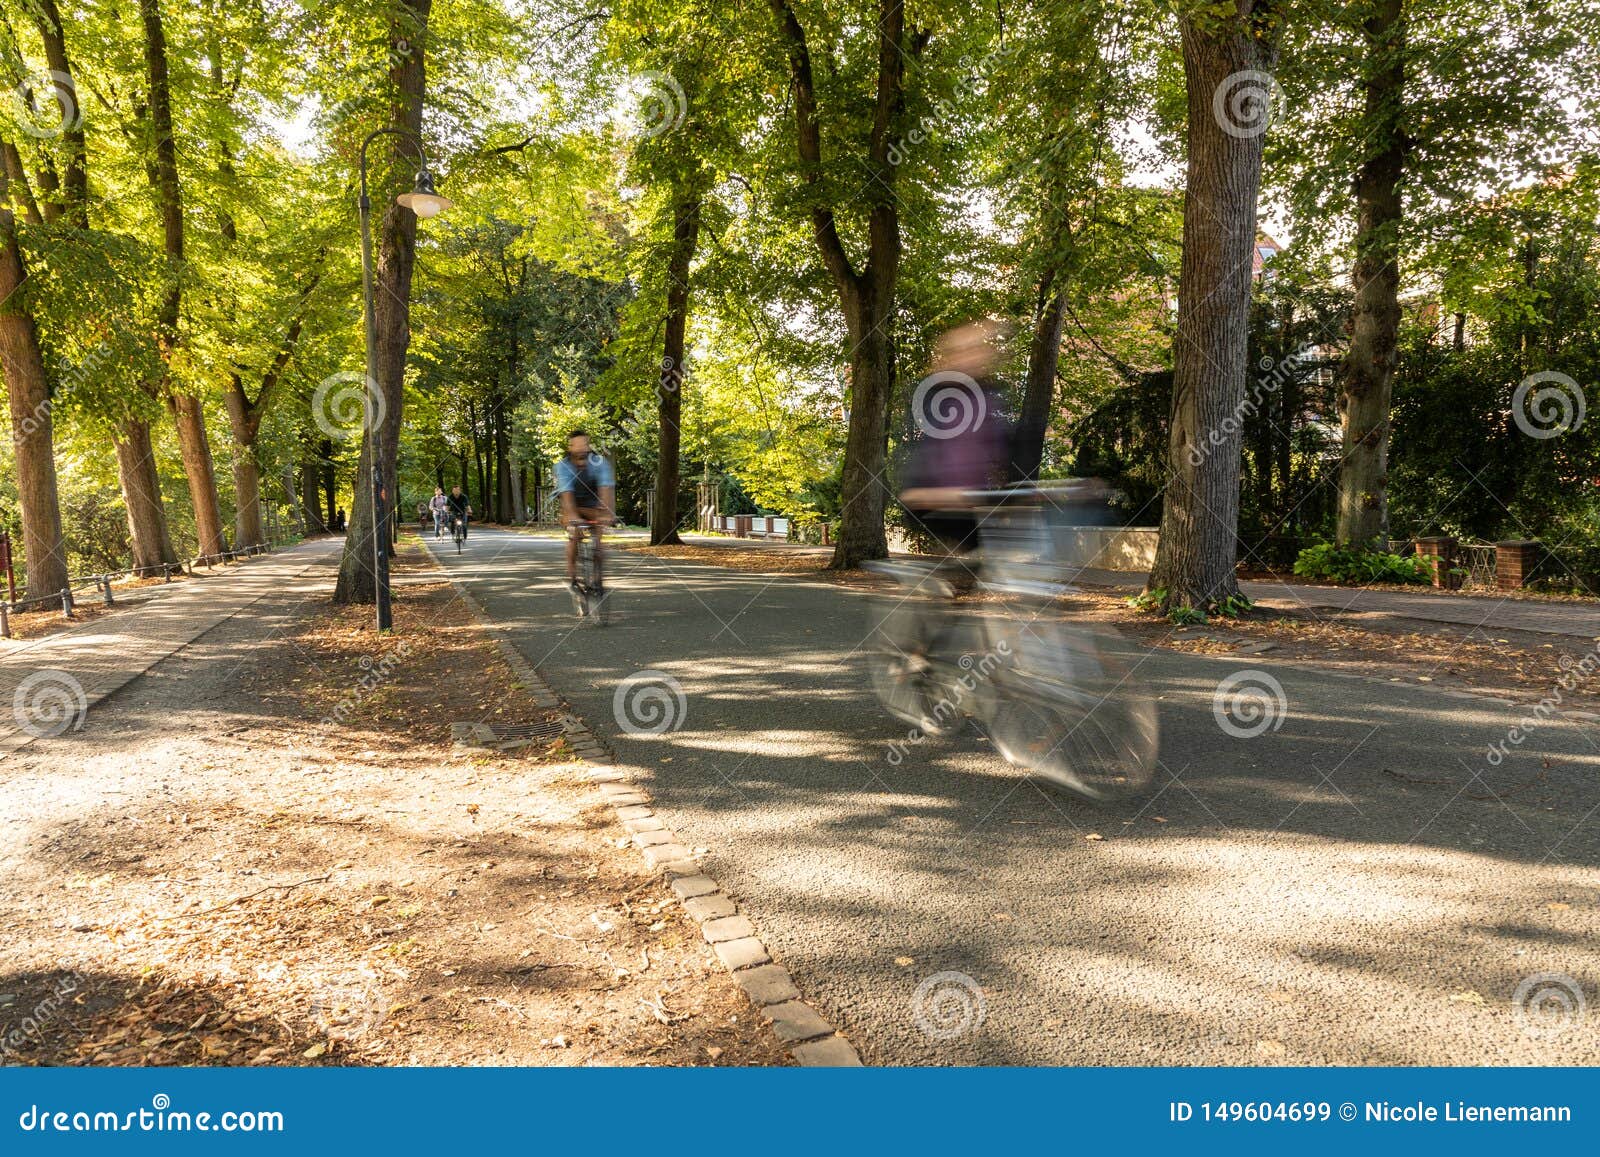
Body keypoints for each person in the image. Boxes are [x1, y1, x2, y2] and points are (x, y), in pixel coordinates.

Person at [898, 319, 1013, 592]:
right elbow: (925, 452)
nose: (972, 356)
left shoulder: (988, 398)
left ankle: (948, 595)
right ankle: (928, 605)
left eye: (977, 349)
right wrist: (926, 491)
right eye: (963, 350)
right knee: (966, 574)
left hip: (973, 503)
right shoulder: (937, 398)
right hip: (931, 498)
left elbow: (1009, 446)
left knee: (985, 571)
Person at [554, 430, 615, 596]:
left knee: (599, 540)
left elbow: (606, 489)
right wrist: (573, 517)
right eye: (577, 445)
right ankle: (572, 578)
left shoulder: (600, 463)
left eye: (585, 444)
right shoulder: (563, 467)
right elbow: (566, 494)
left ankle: (597, 579)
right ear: (570, 447)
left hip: (593, 505)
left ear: (589, 447)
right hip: (572, 504)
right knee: (574, 535)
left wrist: (606, 514)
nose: (581, 448)